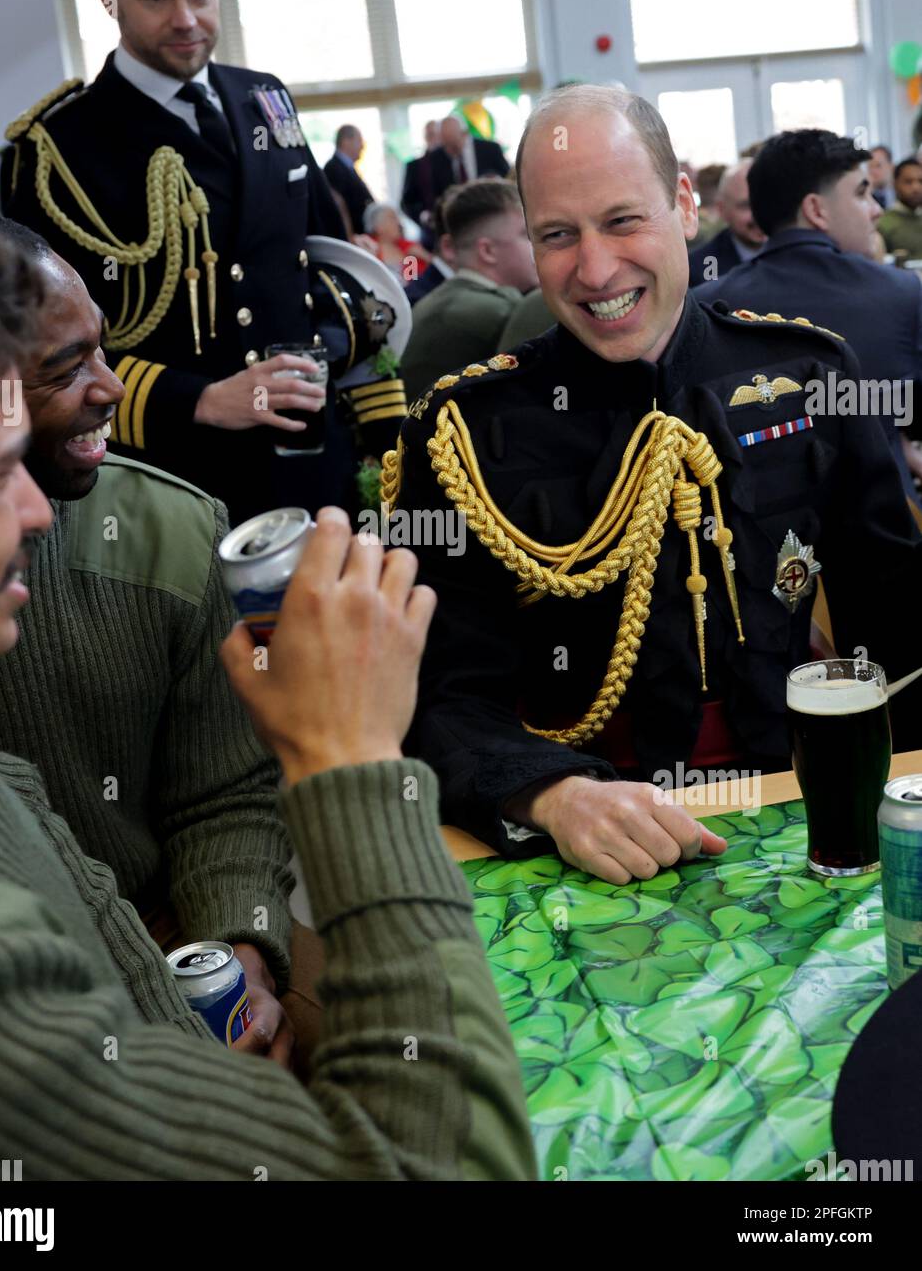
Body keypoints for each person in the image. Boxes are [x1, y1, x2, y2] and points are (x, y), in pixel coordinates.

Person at [0, 212, 535, 1181]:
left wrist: (228, 947)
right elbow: (439, 1166)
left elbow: (189, 817)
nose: (33, 508)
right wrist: (351, 759)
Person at [385, 84, 922, 882]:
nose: (595, 269)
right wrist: (549, 794)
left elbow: (899, 625)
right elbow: (437, 700)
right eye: (558, 235)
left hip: (808, 810)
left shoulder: (807, 373)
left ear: (681, 205)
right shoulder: (460, 432)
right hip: (581, 843)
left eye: (622, 220)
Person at [0, 209, 309, 1068]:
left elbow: (226, 792)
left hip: (167, 951)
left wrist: (240, 945)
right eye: (65, 370)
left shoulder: (174, 532)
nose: (113, 387)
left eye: (104, 349)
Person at [0, 0, 377, 525]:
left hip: (316, 455)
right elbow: (40, 347)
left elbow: (326, 267)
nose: (185, 19)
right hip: (173, 480)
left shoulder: (265, 97)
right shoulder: (57, 148)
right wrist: (200, 399)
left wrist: (372, 416)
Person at [693, 130, 922, 496]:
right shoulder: (902, 292)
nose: (877, 208)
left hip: (754, 531)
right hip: (883, 520)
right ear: (816, 210)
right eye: (861, 193)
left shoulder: (706, 303)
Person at [401, 179, 537, 401]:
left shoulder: (442, 298)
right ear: (488, 251)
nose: (537, 244)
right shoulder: (499, 311)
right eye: (526, 235)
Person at [400, 114, 510, 231]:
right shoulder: (436, 157)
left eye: (452, 143)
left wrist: (496, 181)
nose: (449, 150)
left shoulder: (490, 149)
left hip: (492, 218)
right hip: (457, 226)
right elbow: (433, 197)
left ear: (464, 134)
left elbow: (509, 180)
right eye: (445, 145)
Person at [687, 158, 765, 286]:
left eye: (766, 202)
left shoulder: (797, 253)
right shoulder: (700, 268)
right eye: (746, 206)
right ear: (722, 209)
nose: (760, 215)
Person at [323, 124, 375, 237]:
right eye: (359, 140)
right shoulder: (333, 168)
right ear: (346, 141)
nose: (362, 146)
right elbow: (340, 208)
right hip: (351, 238)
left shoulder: (348, 167)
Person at [364, 202, 431, 280]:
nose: (398, 223)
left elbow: (415, 280)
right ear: (378, 227)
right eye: (392, 218)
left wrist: (424, 256)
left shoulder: (409, 247)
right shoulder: (370, 252)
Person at [876, 157, 922, 261]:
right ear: (895, 184)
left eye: (921, 181)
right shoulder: (884, 223)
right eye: (908, 182)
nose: (916, 187)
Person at [868, 144, 896, 210]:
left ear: (891, 167)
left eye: (878, 165)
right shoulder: (865, 197)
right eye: (870, 166)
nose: (873, 171)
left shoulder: (902, 194)